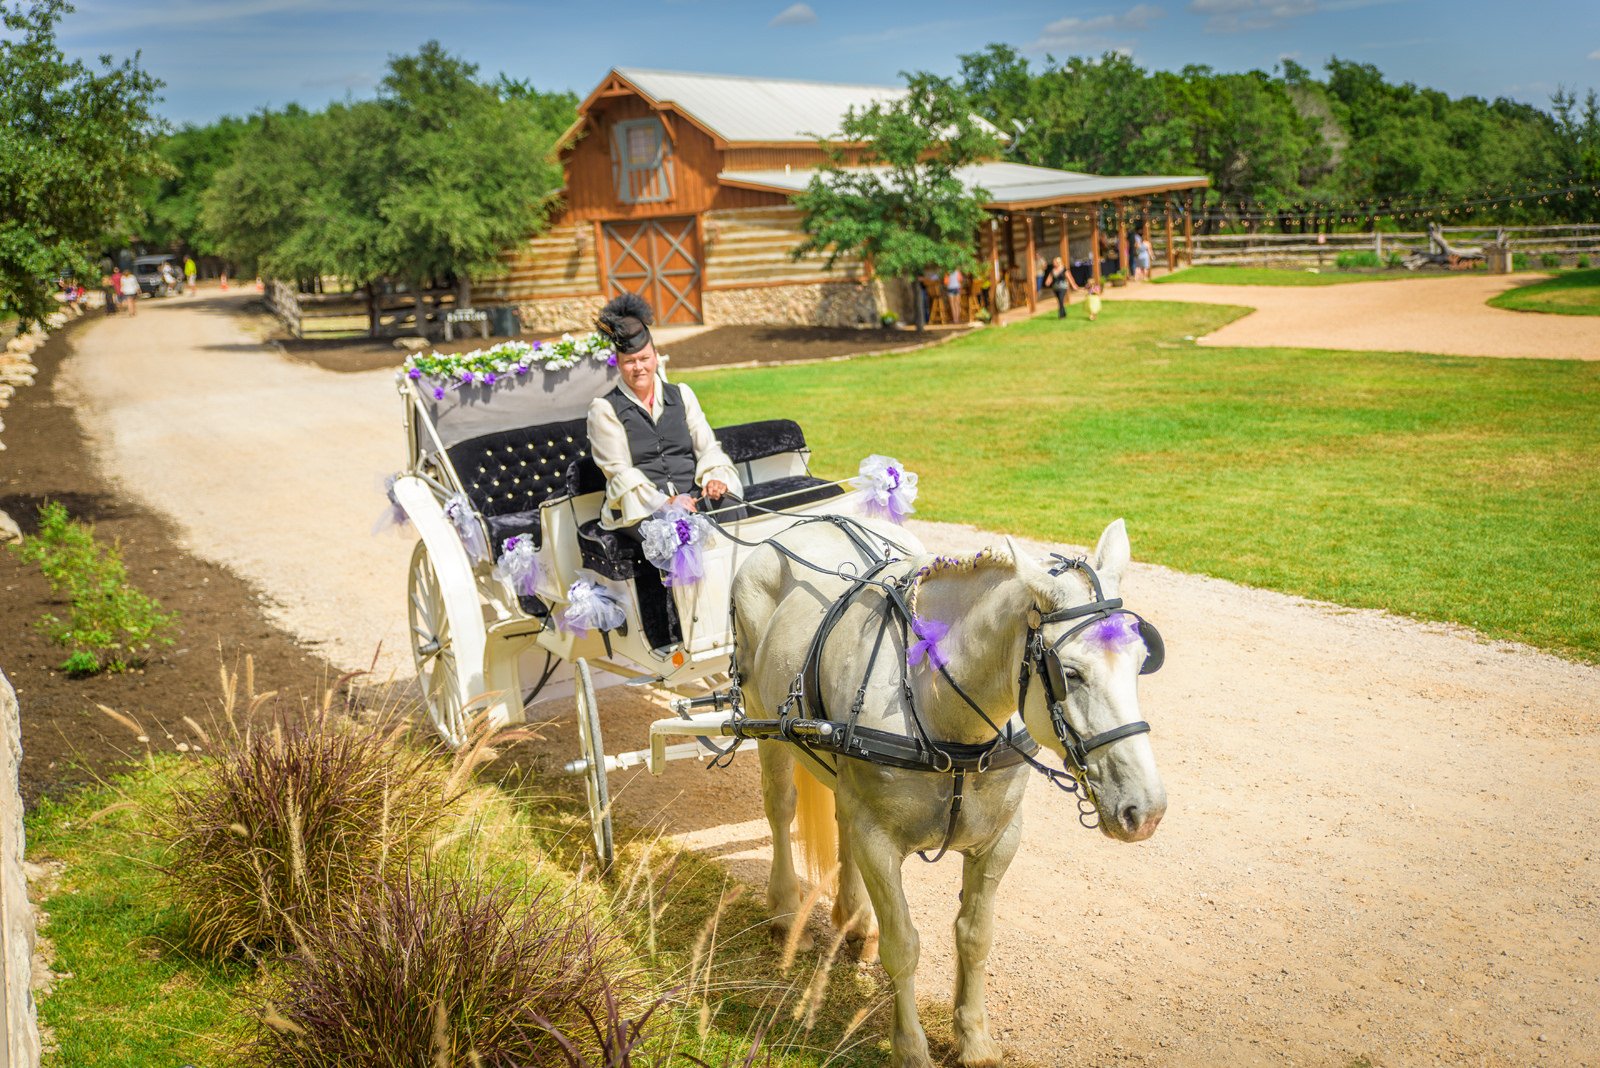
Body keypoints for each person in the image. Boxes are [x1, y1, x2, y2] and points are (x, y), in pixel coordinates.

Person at [586, 293, 742, 541]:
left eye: (645, 358)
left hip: (692, 496)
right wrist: (665, 502)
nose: (639, 367)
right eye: (630, 361)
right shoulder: (604, 409)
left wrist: (714, 480)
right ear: (618, 363)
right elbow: (620, 472)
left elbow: (708, 447)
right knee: (670, 533)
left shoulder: (682, 394)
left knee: (731, 509)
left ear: (656, 357)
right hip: (642, 508)